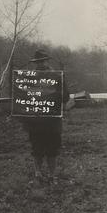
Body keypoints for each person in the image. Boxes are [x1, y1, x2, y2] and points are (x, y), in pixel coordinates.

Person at [21, 49, 71, 184]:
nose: (40, 65)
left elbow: (65, 96)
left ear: (47, 61)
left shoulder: (57, 76)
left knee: (52, 149)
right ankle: (37, 173)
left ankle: (52, 175)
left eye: (42, 61)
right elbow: (22, 95)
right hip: (35, 120)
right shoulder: (28, 78)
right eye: (37, 62)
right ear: (34, 63)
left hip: (52, 120)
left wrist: (53, 95)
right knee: (36, 148)